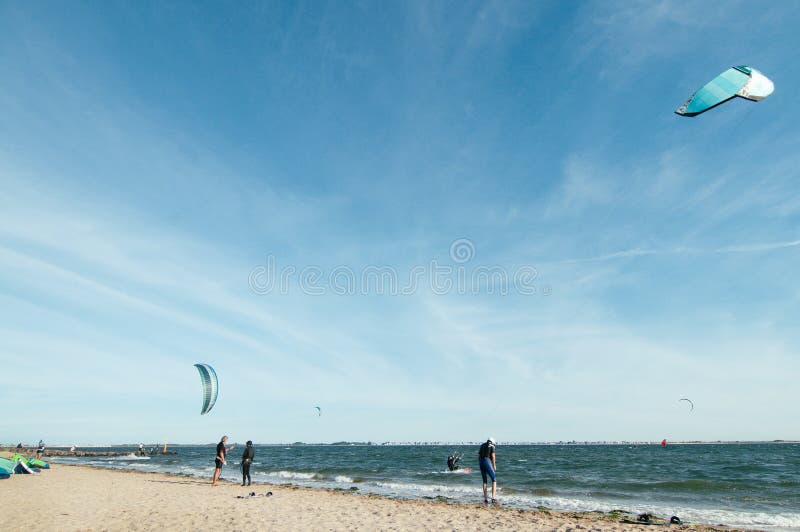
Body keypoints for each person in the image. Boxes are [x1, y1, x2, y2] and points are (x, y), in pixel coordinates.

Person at [478, 437, 497, 503]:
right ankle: (493, 498)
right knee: (494, 478)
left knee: (484, 481)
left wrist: (481, 463)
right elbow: (493, 456)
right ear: (492, 442)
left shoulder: (482, 445)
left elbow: (478, 456)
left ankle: (485, 499)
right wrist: (494, 465)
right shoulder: (492, 446)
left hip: (481, 462)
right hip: (487, 461)